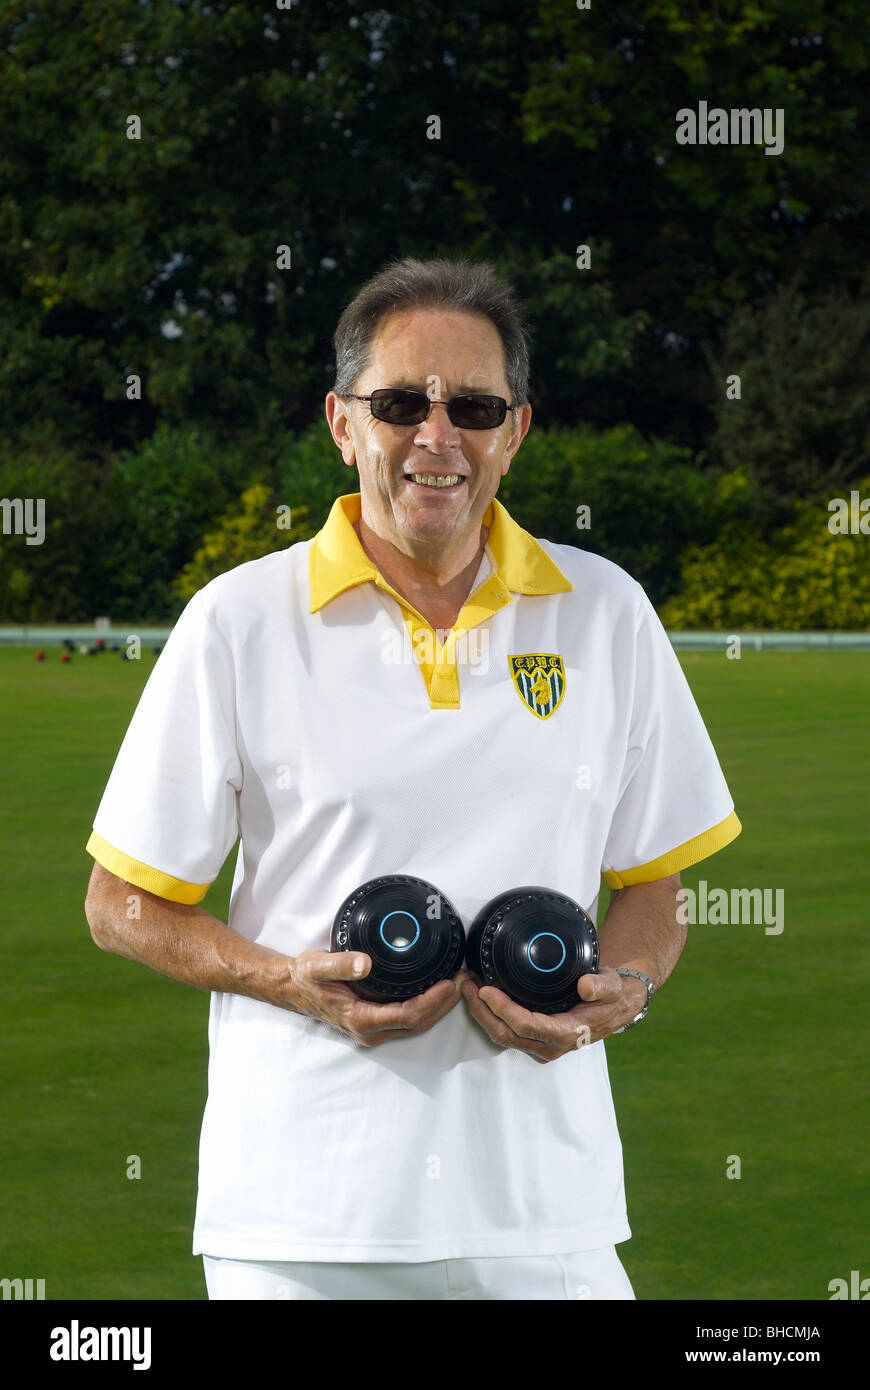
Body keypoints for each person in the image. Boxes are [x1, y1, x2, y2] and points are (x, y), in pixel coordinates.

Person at [84, 256, 741, 1301]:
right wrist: (283, 981)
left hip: (547, 1216)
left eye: (473, 407)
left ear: (515, 432)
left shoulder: (607, 612)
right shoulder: (237, 620)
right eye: (400, 404)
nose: (438, 436)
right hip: (302, 1226)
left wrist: (626, 989)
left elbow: (655, 887)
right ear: (343, 424)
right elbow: (119, 904)